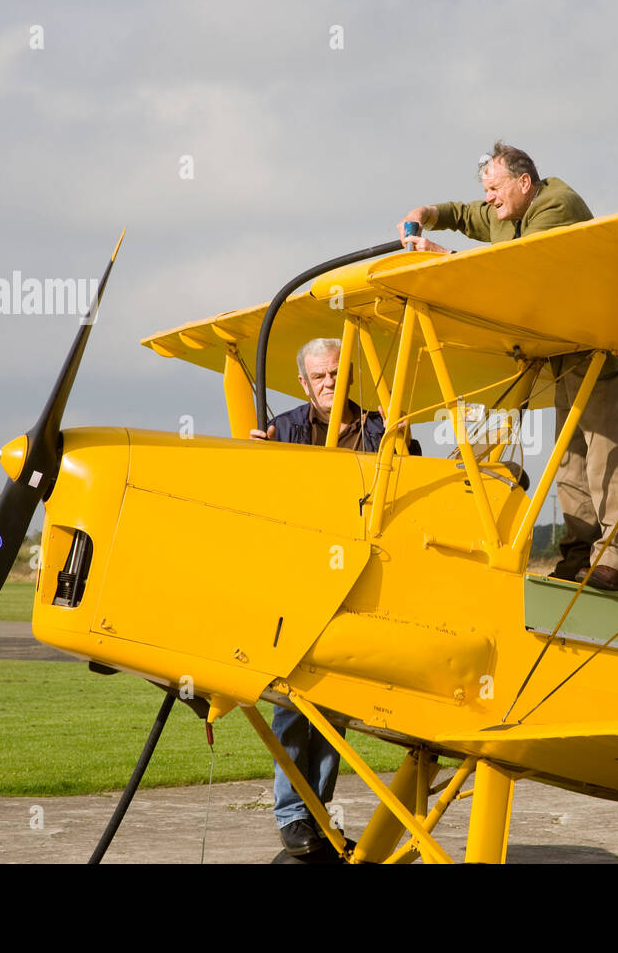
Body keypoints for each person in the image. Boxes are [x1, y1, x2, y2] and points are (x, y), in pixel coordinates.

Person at [398, 141, 618, 592]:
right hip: (562, 349)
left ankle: (617, 563)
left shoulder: (556, 207)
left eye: (495, 187)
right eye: (486, 188)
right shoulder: (510, 207)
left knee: (604, 453)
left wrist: (442, 258)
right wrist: (427, 211)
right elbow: (467, 214)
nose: (489, 197)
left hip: (600, 346)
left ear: (523, 183)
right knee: (570, 460)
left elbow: (521, 269)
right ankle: (578, 554)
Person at [250, 336, 415, 857]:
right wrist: (255, 456)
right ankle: (294, 815)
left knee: (333, 710)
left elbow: (411, 483)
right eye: (319, 376)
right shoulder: (288, 429)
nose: (328, 383)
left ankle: (316, 816)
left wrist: (403, 441)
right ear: (303, 382)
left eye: (337, 374)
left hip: (359, 586)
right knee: (292, 708)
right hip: (300, 585)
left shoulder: (376, 428)